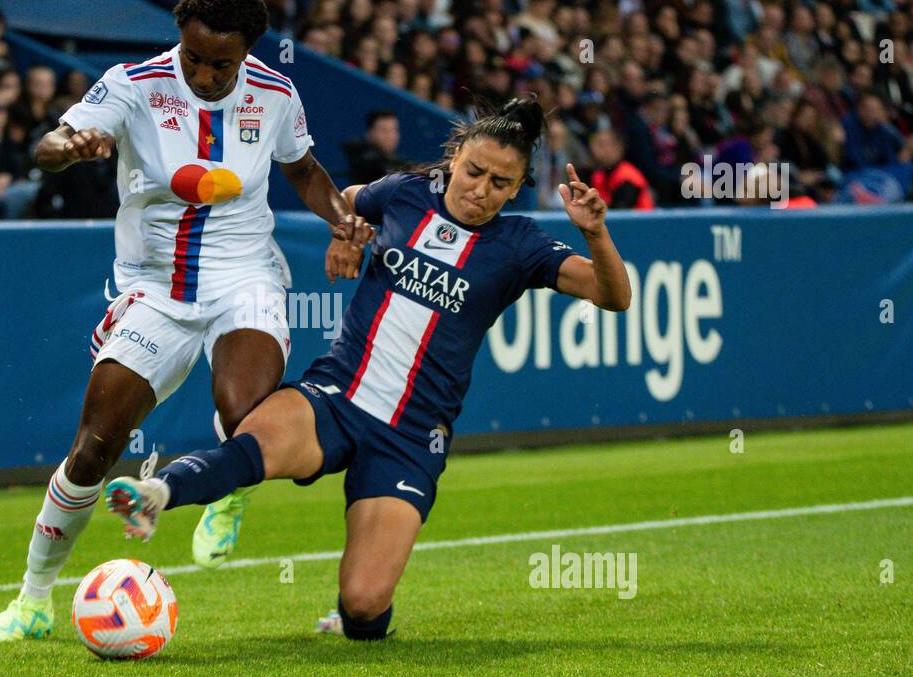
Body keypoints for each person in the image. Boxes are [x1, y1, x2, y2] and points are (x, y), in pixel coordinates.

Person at [105, 98, 632, 641]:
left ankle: (353, 618)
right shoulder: (407, 193)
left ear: (517, 188)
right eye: (474, 171)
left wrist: (596, 233)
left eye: (501, 183)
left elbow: (613, 296)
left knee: (363, 603)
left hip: (410, 434)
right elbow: (347, 201)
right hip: (336, 395)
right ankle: (155, 496)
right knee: (253, 441)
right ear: (454, 160)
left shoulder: (521, 244)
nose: (481, 190)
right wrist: (345, 234)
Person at [0, 0, 372, 643]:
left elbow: (302, 168)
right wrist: (68, 149)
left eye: (224, 62)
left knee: (246, 410)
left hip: (245, 277)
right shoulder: (133, 84)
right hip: (153, 288)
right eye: (195, 58)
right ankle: (33, 600)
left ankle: (233, 482)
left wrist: (340, 220)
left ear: (247, 52)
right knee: (94, 449)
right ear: (178, 40)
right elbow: (46, 148)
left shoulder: (274, 94)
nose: (208, 74)